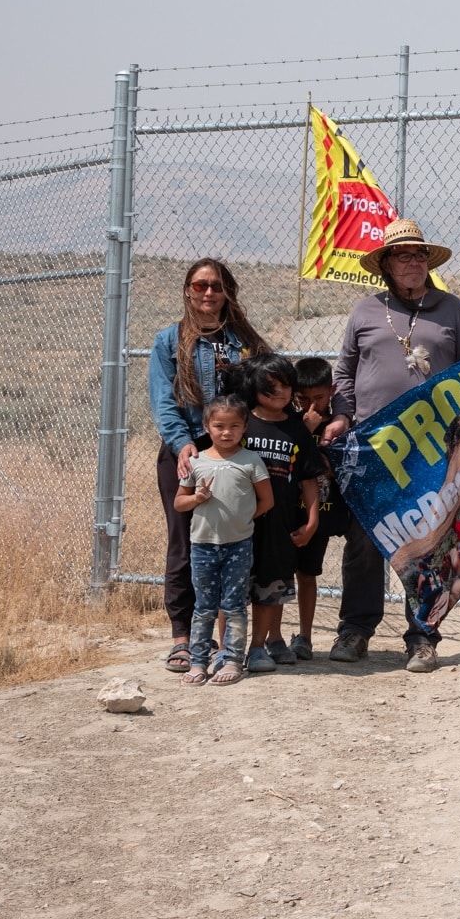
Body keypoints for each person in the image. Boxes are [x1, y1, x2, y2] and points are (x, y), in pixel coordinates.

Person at [316, 219, 460, 672]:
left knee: (428, 542)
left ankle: (423, 637)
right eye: (403, 256)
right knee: (366, 539)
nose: (413, 262)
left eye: (419, 255)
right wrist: (341, 416)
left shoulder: (451, 310)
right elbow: (344, 373)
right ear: (386, 265)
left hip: (435, 448)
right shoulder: (365, 311)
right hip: (374, 447)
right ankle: (355, 630)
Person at [147, 258, 270, 675]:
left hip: (238, 455)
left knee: (238, 541)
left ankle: (235, 642)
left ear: (227, 291)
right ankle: (184, 637)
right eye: (199, 286)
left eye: (215, 286)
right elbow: (164, 402)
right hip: (189, 453)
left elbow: (267, 384)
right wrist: (181, 445)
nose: (207, 293)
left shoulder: (244, 340)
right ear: (187, 290)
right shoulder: (169, 341)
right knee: (186, 542)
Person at [228, 355, 322, 675]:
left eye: (285, 385)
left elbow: (309, 480)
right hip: (239, 523)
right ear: (254, 389)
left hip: (280, 523)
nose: (280, 392)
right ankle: (230, 648)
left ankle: (260, 646)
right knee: (235, 585)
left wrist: (312, 520)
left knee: (272, 584)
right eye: (271, 387)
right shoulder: (240, 424)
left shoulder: (296, 429)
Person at [173, 394, 272, 687]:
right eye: (219, 426)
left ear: (244, 428)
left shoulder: (250, 461)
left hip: (238, 545)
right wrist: (196, 498)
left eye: (234, 426)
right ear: (206, 427)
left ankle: (231, 659)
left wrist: (243, 519)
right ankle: (198, 662)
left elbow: (266, 500)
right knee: (204, 607)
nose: (226, 432)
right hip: (202, 545)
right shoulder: (196, 462)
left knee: (233, 605)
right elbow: (179, 503)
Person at [289, 356, 348, 660]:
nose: (311, 407)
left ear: (332, 391)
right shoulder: (290, 423)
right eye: (302, 399)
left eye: (319, 398)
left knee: (307, 573)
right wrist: (302, 429)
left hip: (321, 514)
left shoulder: (339, 427)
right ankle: (276, 637)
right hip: (289, 512)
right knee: (281, 573)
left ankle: (305, 636)